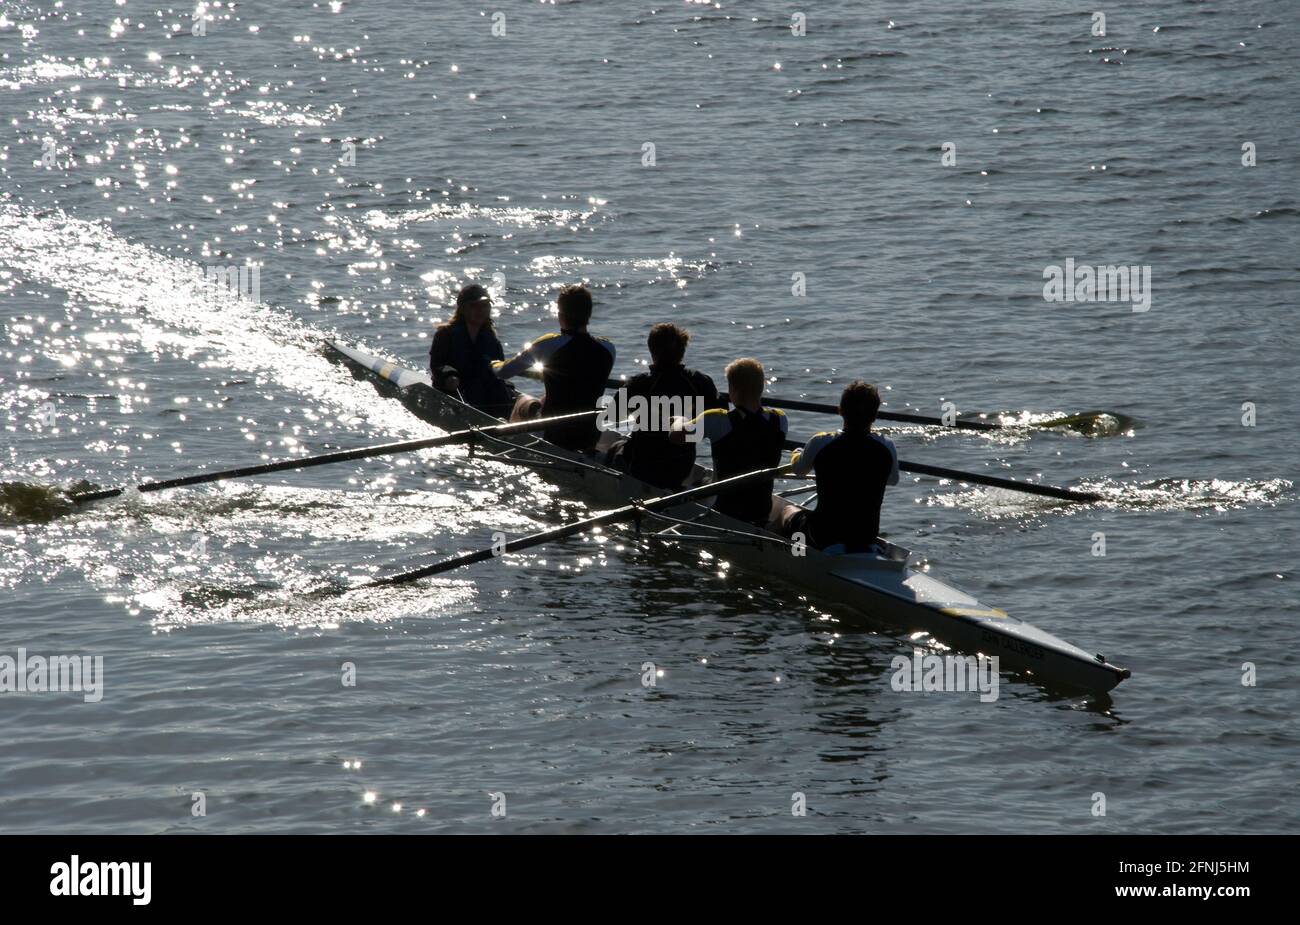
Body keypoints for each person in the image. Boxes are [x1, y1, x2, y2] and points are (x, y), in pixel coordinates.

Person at [779, 380, 899, 553]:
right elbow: (893, 480)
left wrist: (797, 452)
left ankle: (790, 556)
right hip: (865, 537)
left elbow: (799, 470)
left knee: (786, 511)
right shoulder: (887, 446)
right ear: (874, 416)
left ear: (840, 411)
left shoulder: (820, 442)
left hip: (824, 536)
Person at [493, 284, 616, 451]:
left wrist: (491, 364)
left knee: (522, 401)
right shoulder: (608, 349)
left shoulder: (549, 343)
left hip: (554, 434)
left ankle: (512, 449)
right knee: (546, 398)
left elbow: (503, 372)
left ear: (560, 315)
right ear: (589, 315)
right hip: (590, 435)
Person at [672, 357, 787, 525]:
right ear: (761, 388)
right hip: (761, 510)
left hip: (724, 510)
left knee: (684, 486)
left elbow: (676, 438)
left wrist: (679, 420)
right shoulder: (780, 419)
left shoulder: (716, 419)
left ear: (733, 389)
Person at [613, 323, 724, 489]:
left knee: (614, 448)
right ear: (682, 351)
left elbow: (613, 416)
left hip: (643, 468)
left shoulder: (639, 384)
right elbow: (721, 419)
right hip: (682, 466)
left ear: (652, 351)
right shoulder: (700, 383)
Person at [428, 283, 518, 418]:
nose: (481, 310)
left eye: (485, 306)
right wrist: (449, 376)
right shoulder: (445, 334)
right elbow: (437, 364)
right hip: (457, 389)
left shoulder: (491, 339)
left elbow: (498, 370)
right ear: (463, 309)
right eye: (474, 306)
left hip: (485, 392)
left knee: (500, 390)